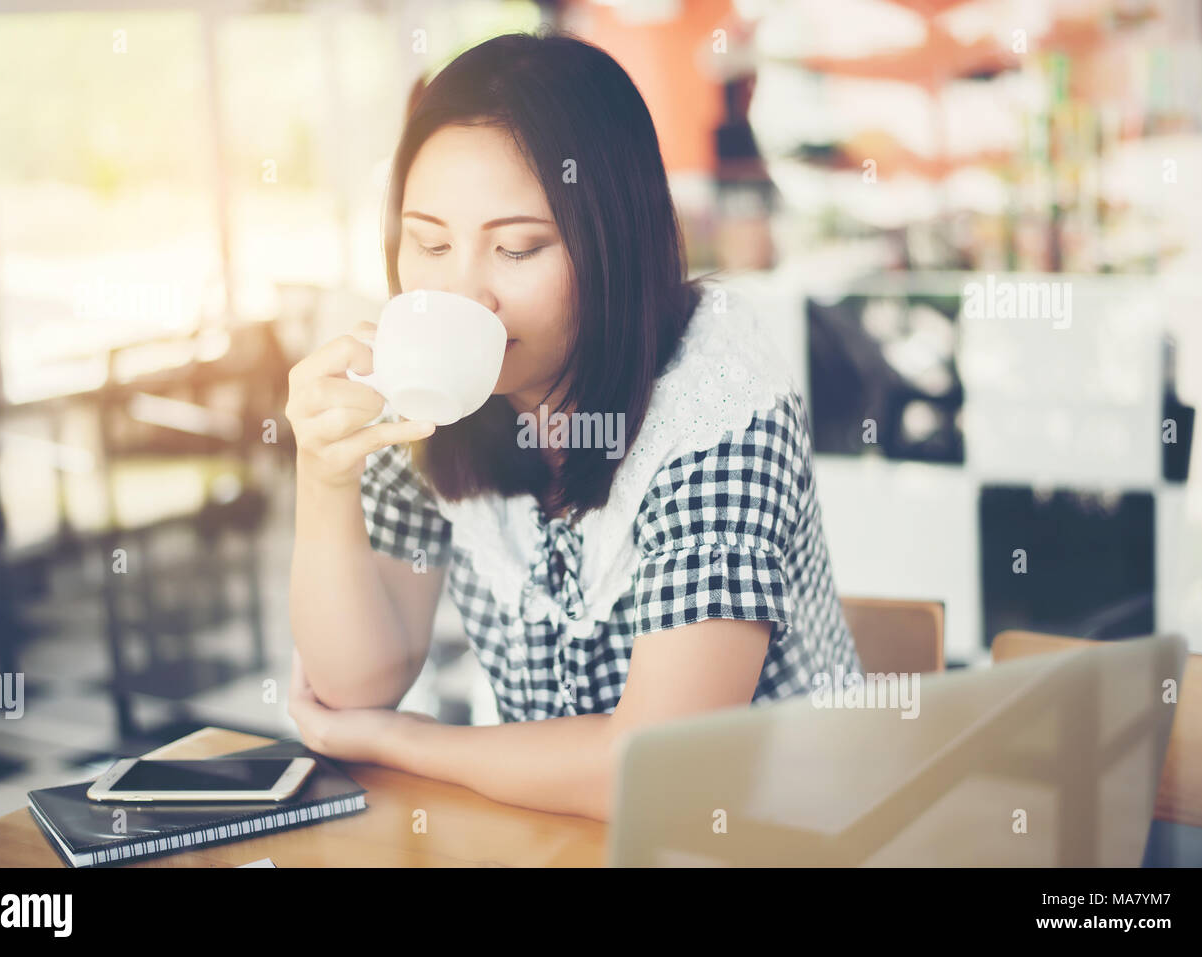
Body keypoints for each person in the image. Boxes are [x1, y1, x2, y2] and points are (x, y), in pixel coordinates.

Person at [284, 31, 860, 822]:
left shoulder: (717, 395)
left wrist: (402, 740)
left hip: (784, 838)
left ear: (612, 242)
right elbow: (356, 684)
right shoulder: (429, 385)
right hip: (560, 837)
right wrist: (324, 475)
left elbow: (663, 765)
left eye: (517, 248)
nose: (462, 295)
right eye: (429, 242)